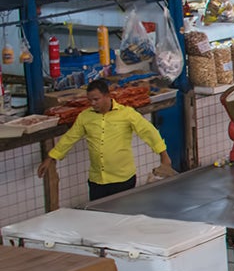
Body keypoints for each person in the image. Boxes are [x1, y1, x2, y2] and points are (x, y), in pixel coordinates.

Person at [40, 79, 176, 200]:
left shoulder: (126, 114)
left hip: (123, 179)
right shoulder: (85, 117)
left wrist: (164, 156)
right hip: (97, 181)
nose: (92, 103)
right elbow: (69, 138)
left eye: (96, 99)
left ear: (107, 96)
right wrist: (51, 157)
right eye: (90, 100)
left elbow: (149, 132)